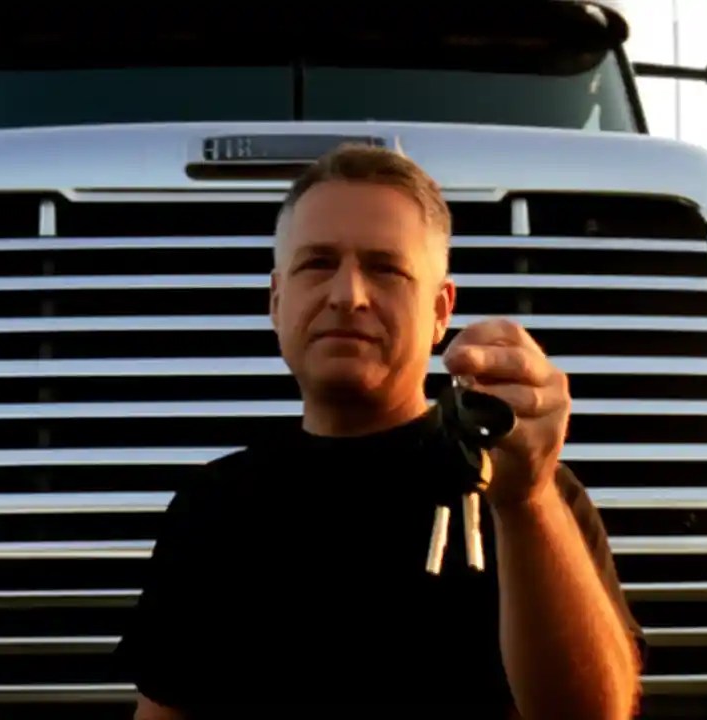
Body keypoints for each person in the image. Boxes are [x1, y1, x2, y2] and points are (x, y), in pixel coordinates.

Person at [117, 144, 644, 719]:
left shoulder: (527, 495)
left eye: (385, 268)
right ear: (276, 300)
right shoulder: (213, 504)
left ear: (441, 310)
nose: (347, 296)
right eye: (317, 264)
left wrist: (527, 501)